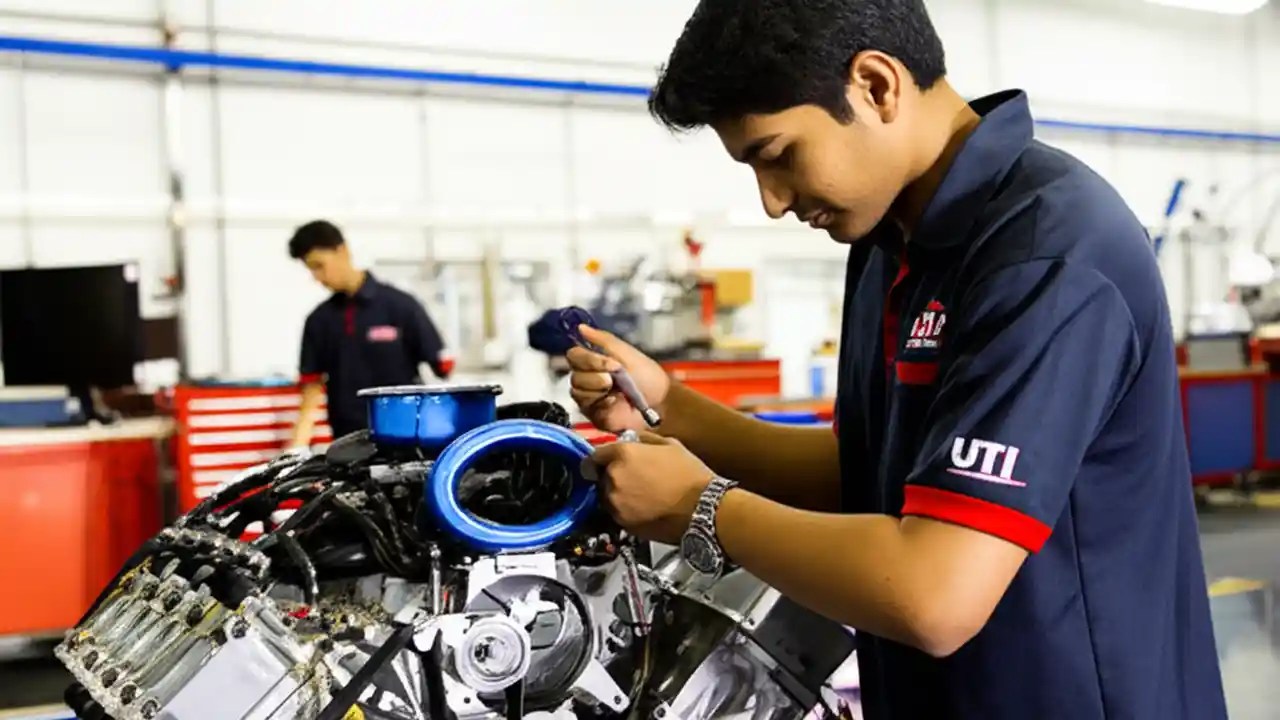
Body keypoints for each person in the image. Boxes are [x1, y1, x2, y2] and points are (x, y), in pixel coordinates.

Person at [568, 2, 1227, 719]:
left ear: (876, 86)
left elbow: (933, 595)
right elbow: (868, 472)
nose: (772, 202)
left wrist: (701, 508)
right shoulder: (892, 243)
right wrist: (671, 408)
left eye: (778, 155)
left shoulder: (1048, 254)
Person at [287, 220, 452, 446]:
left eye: (319, 265)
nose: (317, 277)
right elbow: (311, 390)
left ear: (342, 250)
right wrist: (296, 447)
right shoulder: (319, 320)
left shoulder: (401, 306)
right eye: (311, 269)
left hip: (407, 439)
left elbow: (442, 368)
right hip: (348, 444)